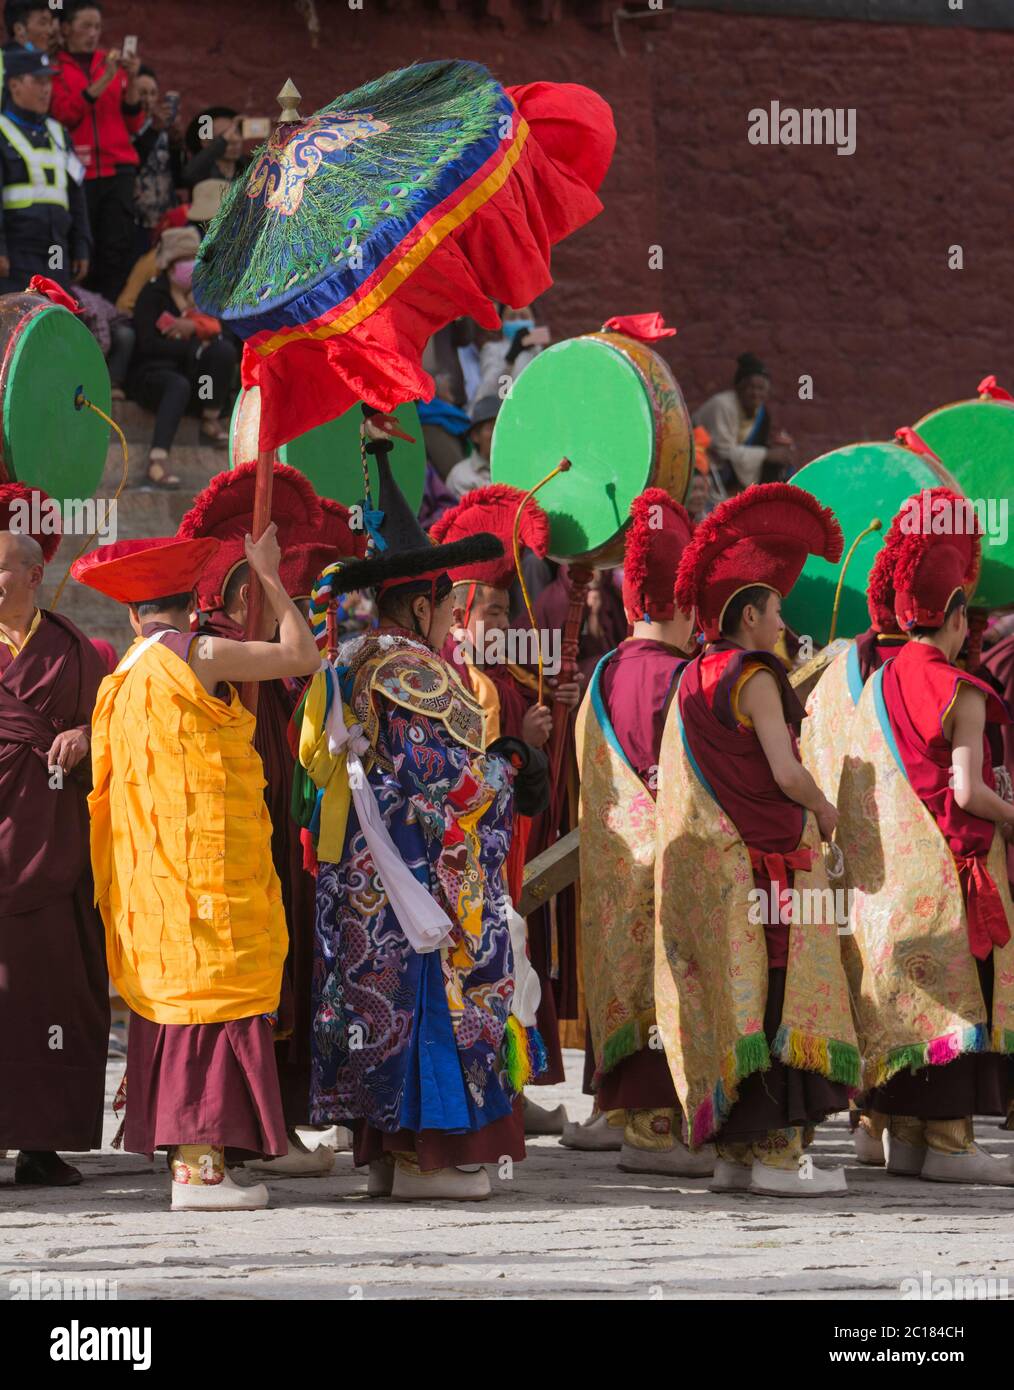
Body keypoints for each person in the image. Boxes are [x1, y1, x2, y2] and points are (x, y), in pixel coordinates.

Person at [298, 416, 549, 1201]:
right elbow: (446, 789)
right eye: (442, 608)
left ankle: (385, 1152)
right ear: (420, 608)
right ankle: (428, 1157)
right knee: (427, 998)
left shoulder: (351, 663)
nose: (447, 622)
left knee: (375, 1004)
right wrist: (509, 767)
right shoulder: (419, 674)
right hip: (416, 887)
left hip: (361, 879)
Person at [73, 525, 322, 1212]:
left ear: (130, 615)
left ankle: (199, 1163)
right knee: (213, 1003)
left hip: (153, 882)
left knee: (180, 1006)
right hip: (211, 874)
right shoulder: (199, 653)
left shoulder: (123, 676)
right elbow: (303, 655)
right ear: (193, 605)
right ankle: (200, 1170)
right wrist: (270, 575)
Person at [655, 483, 860, 1198]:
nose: (783, 620)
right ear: (749, 613)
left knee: (738, 1005)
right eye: (775, 607)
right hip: (772, 870)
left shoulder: (693, 677)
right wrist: (827, 809)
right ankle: (776, 1157)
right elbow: (783, 771)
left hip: (722, 874)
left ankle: (735, 1158)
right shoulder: (755, 677)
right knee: (775, 1003)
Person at [176, 461, 366, 1175]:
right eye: (255, 583)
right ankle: (248, 1127)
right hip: (229, 828)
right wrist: (273, 585)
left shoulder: (246, 648)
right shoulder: (213, 641)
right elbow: (305, 653)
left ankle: (274, 1118)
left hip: (270, 828)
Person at [837, 490, 1014, 1186]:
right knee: (954, 1001)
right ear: (959, 615)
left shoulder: (879, 681)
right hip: (951, 868)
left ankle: (907, 1135)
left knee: (911, 1008)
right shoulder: (961, 688)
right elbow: (968, 792)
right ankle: (946, 1141)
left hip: (893, 881)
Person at [430, 483, 582, 1134]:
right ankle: (486, 1097)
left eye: (501, 611)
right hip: (464, 851)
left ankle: (516, 1084)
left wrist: (551, 718)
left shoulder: (511, 678)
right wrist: (529, 739)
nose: (495, 623)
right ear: (458, 616)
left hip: (509, 843)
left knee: (517, 953)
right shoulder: (447, 676)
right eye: (483, 610)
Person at [574, 488, 716, 1176]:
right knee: (669, 980)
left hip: (609, 872)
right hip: (670, 865)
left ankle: (626, 1112)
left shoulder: (602, 671)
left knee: (624, 979)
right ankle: (660, 1128)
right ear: (686, 603)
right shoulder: (687, 679)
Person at [0, 483, 109, 1186]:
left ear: (36, 573)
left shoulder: (80, 650)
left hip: (56, 848)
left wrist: (85, 735)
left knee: (53, 996)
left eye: (5, 565)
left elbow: (121, 731)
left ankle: (42, 1144)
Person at [128, 224, 237, 487]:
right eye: (183, 260)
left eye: (193, 259)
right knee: (177, 385)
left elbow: (228, 335)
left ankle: (211, 418)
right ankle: (157, 460)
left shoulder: (203, 297)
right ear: (169, 265)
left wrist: (196, 328)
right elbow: (146, 344)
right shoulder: (152, 294)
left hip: (195, 384)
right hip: (154, 378)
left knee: (223, 351)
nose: (190, 266)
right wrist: (190, 347)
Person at [50, 1, 144, 303]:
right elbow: (64, 113)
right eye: (85, 26)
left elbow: (133, 121)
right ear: (66, 28)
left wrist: (132, 83)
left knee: (116, 249)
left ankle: (112, 316)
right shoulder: (54, 67)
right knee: (83, 251)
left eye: (97, 27)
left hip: (119, 168)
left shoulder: (110, 62)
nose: (93, 34)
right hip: (79, 172)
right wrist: (103, 80)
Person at [0, 48, 90, 294]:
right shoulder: (2, 131)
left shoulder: (59, 133)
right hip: (16, 253)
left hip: (56, 251)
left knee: (53, 323)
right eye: (38, 81)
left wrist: (81, 245)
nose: (46, 89)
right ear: (15, 84)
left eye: (48, 81)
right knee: (16, 324)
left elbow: (76, 196)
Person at [693, 353, 795, 500]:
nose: (755, 394)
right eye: (751, 387)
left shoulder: (762, 413)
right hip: (711, 462)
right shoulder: (722, 405)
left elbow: (759, 444)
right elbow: (722, 451)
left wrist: (778, 452)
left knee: (781, 466)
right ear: (739, 388)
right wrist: (766, 454)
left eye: (761, 389)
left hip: (740, 462)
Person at [131, 65, 184, 246]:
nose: (148, 99)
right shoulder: (126, 128)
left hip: (165, 222)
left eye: (153, 93)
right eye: (142, 93)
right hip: (135, 221)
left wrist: (177, 144)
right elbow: (134, 164)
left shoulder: (163, 131)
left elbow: (179, 178)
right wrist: (153, 131)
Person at [472, 303, 547, 405]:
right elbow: (492, 391)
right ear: (502, 322)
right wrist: (510, 359)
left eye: (523, 317)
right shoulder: (492, 350)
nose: (518, 320)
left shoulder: (538, 351)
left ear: (533, 320)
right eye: (512, 317)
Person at [445, 395, 499, 499]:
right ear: (475, 436)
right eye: (491, 428)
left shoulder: (520, 468)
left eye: (500, 426)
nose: (497, 433)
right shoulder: (461, 475)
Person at [182, 106, 250, 187]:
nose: (235, 140)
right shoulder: (201, 171)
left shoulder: (248, 167)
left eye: (236, 132)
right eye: (225, 135)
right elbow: (189, 174)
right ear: (205, 142)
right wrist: (223, 141)